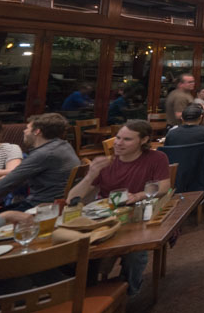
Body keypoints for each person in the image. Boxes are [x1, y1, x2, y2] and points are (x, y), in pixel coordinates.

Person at [68, 120, 170, 295]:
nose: (118, 143)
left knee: (135, 253)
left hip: (139, 215)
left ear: (144, 140)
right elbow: (72, 199)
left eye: (127, 139)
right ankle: (88, 293)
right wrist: (90, 175)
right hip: (106, 218)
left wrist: (137, 195)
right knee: (83, 251)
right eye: (118, 138)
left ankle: (128, 294)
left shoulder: (156, 158)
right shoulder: (105, 164)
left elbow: (163, 188)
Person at [0, 113, 79, 211]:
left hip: (42, 207)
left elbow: (7, 184)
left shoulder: (43, 154)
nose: (24, 131)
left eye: (27, 128)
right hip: (59, 202)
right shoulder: (64, 146)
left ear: (37, 131)